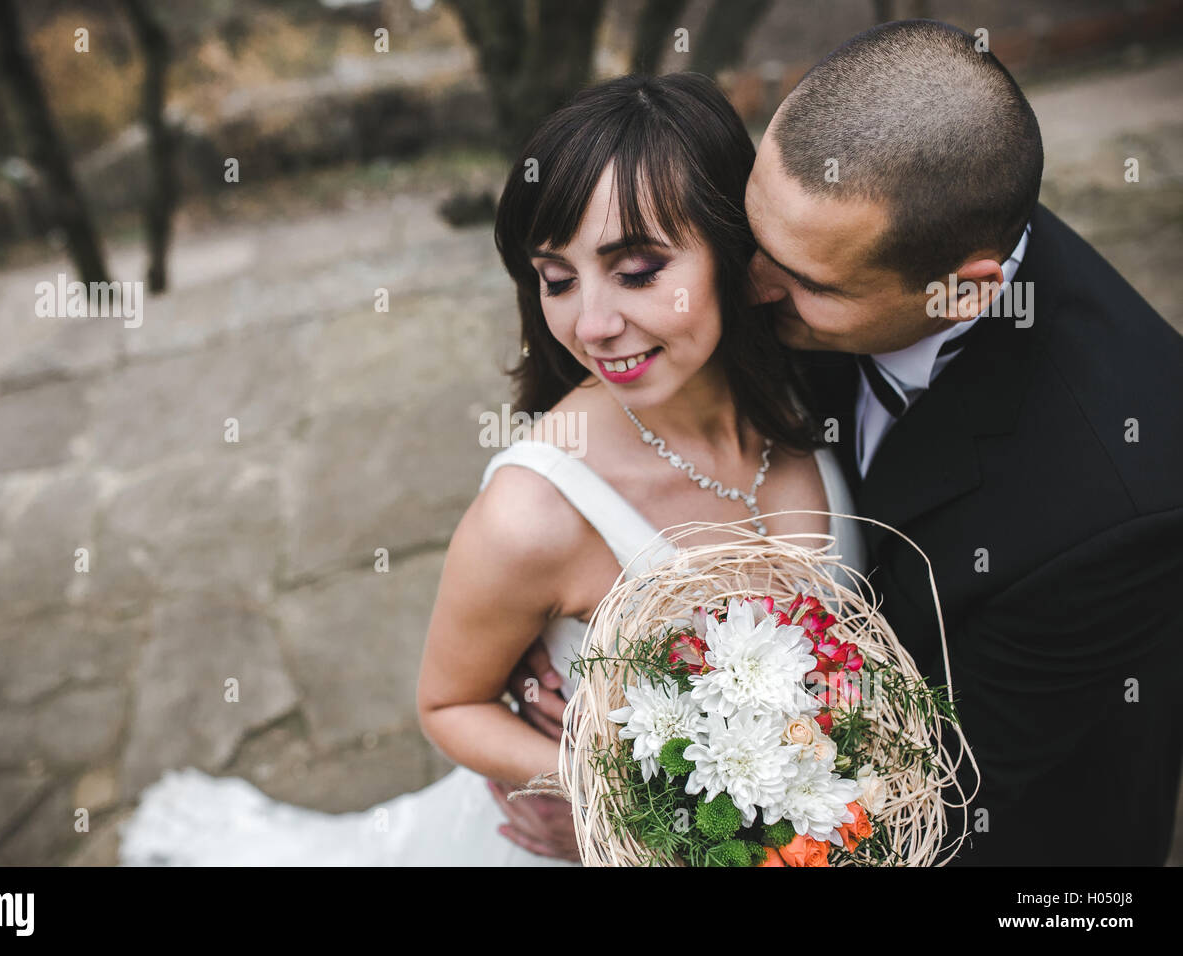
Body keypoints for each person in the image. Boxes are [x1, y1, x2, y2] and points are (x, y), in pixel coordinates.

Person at [117, 71, 865, 866]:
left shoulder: (816, 379)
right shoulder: (533, 512)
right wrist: (632, 807)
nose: (594, 324)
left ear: (735, 254)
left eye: (638, 270)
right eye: (557, 279)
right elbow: (448, 705)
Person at [507, 20, 1183, 866]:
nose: (746, 286)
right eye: (754, 232)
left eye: (807, 284)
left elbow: (951, 791)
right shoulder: (838, 205)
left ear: (960, 294)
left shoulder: (1120, 502)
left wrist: (651, 826)